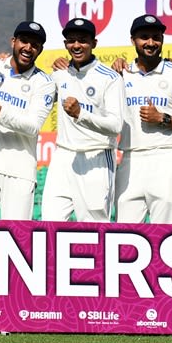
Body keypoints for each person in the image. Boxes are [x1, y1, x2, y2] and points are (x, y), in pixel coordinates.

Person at [115, 15, 172, 224]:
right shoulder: (119, 75)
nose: (151, 43)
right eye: (144, 37)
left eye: (156, 37)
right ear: (132, 40)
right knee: (125, 234)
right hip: (129, 158)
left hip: (165, 158)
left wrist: (163, 118)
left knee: (166, 231)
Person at [0, 21, 56, 220]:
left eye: (35, 45)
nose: (28, 48)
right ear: (13, 41)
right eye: (24, 41)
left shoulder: (45, 83)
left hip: (21, 171)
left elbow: (32, 127)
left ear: (40, 49)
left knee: (16, 236)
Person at [42, 18, 122, 223]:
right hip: (63, 157)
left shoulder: (110, 78)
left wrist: (81, 114)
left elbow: (115, 126)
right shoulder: (59, 74)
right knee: (50, 224)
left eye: (83, 40)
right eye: (71, 41)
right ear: (65, 45)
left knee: (95, 227)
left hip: (96, 156)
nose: (76, 46)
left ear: (94, 43)